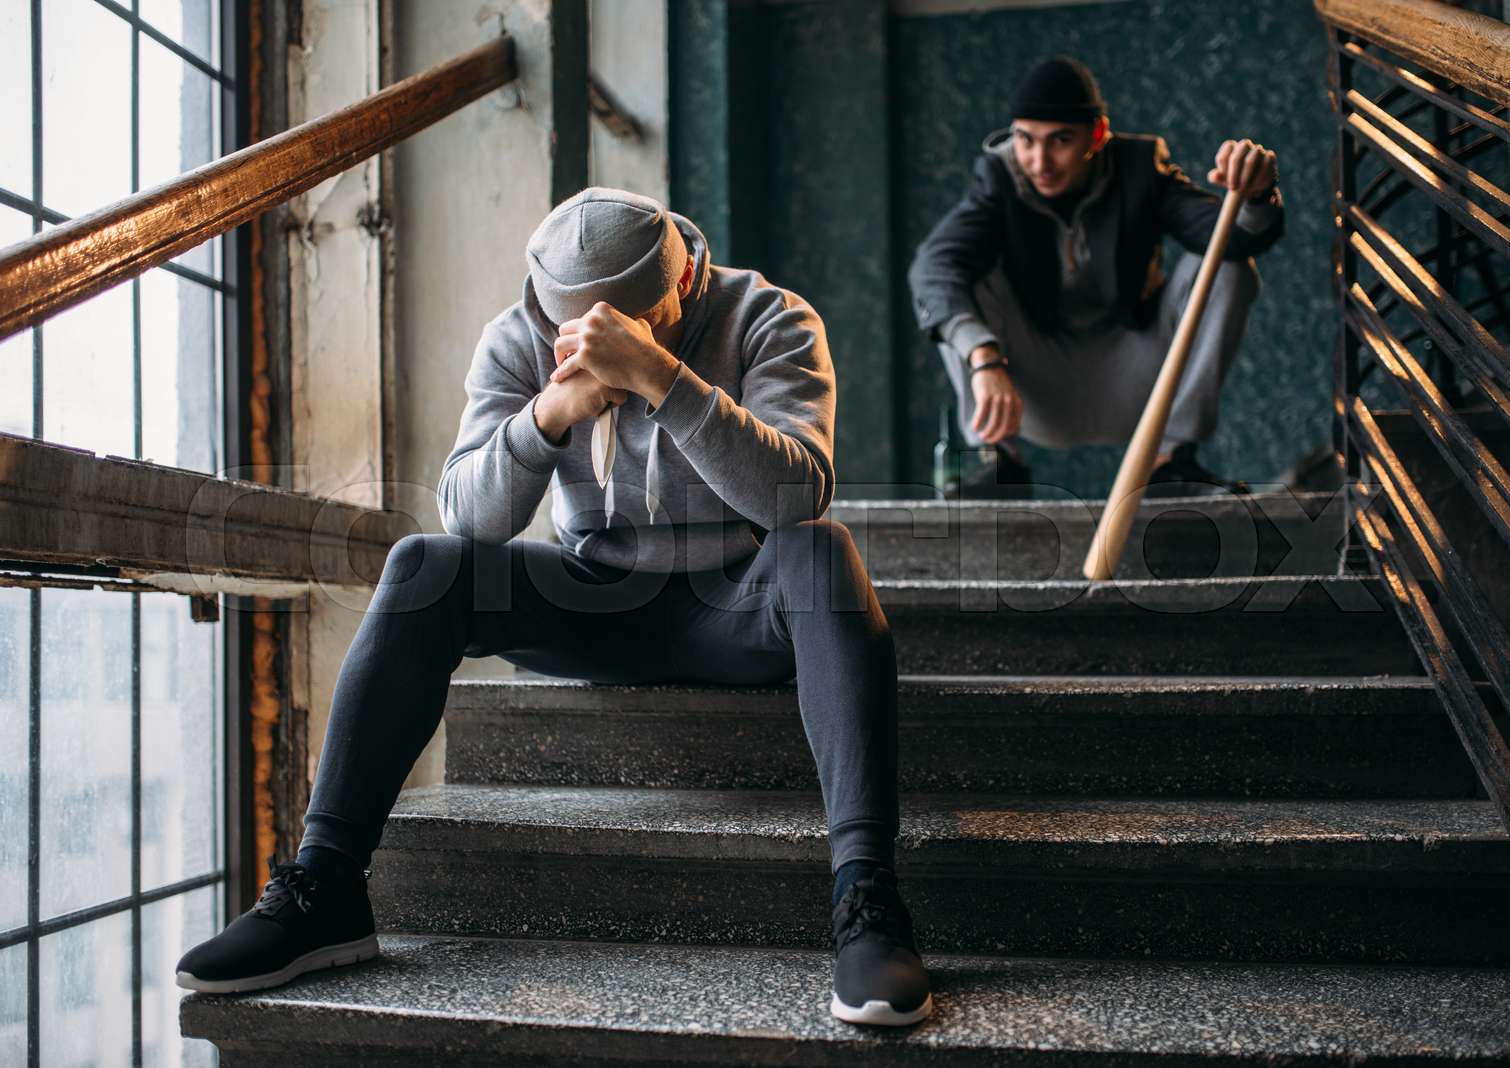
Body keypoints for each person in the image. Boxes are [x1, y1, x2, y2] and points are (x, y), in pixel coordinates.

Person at [174, 188, 932, 1028]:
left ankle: (868, 899)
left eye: (638, 318)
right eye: (580, 326)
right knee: (425, 562)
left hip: (737, 605)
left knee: (821, 553)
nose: (602, 340)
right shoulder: (518, 336)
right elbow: (471, 517)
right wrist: (548, 415)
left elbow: (796, 495)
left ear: (682, 283)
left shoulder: (767, 317)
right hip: (596, 601)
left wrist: (662, 379)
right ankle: (326, 889)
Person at [909, 55, 1285, 497]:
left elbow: (1232, 237)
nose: (1039, 160)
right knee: (957, 279)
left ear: (1098, 135)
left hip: (1140, 380)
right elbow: (932, 268)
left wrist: (1257, 195)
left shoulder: (1141, 167)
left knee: (1225, 267)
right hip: (1031, 390)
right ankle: (999, 466)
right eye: (1026, 140)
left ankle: (1170, 465)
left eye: (1060, 141)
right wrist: (984, 357)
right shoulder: (1000, 176)